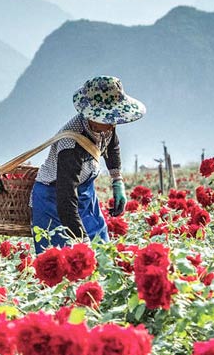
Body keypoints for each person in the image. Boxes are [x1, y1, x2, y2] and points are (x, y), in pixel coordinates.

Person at [30, 76, 145, 253]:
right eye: (107, 117)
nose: (112, 122)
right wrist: (80, 239)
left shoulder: (105, 126)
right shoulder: (71, 143)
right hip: (53, 198)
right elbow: (66, 199)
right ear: (91, 114)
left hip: (84, 192)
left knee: (102, 249)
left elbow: (112, 145)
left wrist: (117, 180)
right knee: (65, 259)